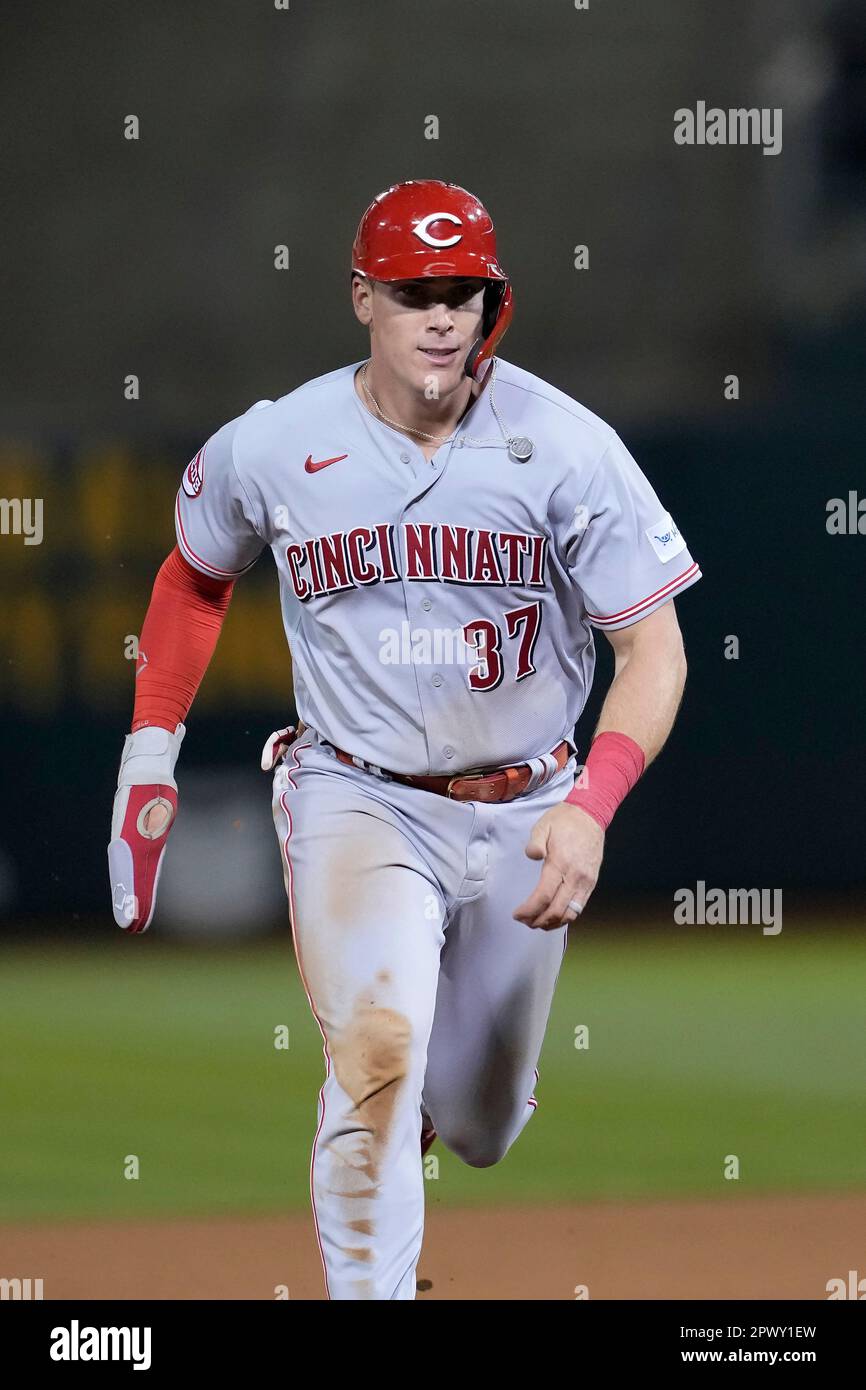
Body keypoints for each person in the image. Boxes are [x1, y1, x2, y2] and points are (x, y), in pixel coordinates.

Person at [108, 179, 701, 1300]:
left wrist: (592, 804)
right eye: (413, 292)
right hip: (356, 795)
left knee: (478, 1125)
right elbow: (192, 574)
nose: (439, 315)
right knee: (376, 1054)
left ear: (493, 304)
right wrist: (151, 749)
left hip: (529, 807)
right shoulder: (279, 443)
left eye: (460, 292)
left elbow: (654, 654)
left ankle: (443, 1116)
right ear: (362, 299)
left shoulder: (568, 448)